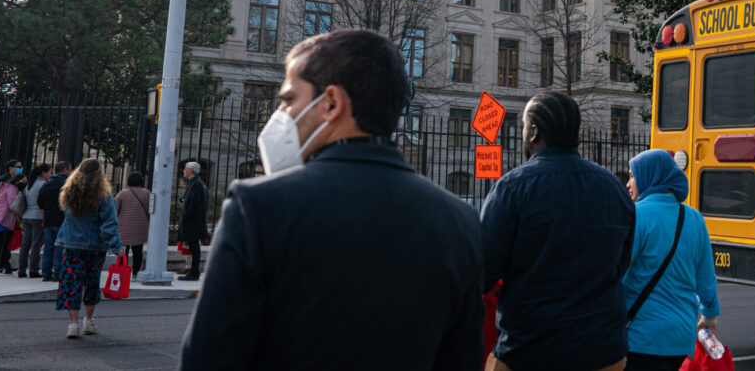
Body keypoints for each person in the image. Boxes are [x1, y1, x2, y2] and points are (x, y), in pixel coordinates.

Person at [180, 28, 483, 370]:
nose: (281, 114)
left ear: (332, 104)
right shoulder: (460, 221)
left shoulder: (256, 209)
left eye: (289, 99)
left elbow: (207, 358)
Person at [481, 90, 635, 371]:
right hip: (603, 350)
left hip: (529, 350)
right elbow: (621, 263)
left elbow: (484, 270)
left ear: (533, 132)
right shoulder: (614, 188)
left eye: (524, 126)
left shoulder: (512, 188)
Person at [622, 149, 720, 371]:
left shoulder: (635, 215)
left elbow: (617, 273)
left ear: (649, 176)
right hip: (681, 338)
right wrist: (709, 318)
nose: (628, 184)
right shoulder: (694, 218)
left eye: (633, 176)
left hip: (640, 337)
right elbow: (706, 279)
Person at [54, 157, 121, 339]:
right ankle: (88, 320)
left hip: (72, 245)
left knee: (71, 283)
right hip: (95, 246)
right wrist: (116, 246)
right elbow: (109, 225)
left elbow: (67, 221)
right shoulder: (105, 197)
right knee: (92, 283)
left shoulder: (69, 193)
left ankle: (73, 324)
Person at [37, 162, 71, 282]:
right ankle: (58, 273)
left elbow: (40, 202)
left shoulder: (47, 184)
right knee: (60, 247)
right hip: (62, 219)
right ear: (65, 170)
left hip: (48, 219)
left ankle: (46, 273)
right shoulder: (68, 184)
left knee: (48, 247)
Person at [18, 164, 51, 277]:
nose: (50, 175)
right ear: (43, 173)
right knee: (36, 244)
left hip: (27, 215)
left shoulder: (29, 184)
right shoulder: (43, 184)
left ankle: (21, 269)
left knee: (25, 243)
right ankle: (33, 269)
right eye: (49, 172)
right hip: (38, 216)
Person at [114, 172, 151, 272]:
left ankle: (122, 270)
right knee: (138, 250)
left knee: (123, 250)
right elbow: (151, 210)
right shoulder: (147, 193)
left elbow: (114, 209)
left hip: (124, 227)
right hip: (140, 227)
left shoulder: (122, 194)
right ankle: (135, 272)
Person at [177, 162, 208, 280]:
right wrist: (183, 201)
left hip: (193, 222)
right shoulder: (193, 183)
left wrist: (186, 216)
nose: (184, 170)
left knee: (194, 247)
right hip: (192, 221)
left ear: (191, 170)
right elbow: (189, 199)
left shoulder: (196, 184)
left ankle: (194, 273)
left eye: (186, 168)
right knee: (193, 246)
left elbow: (194, 204)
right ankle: (193, 271)